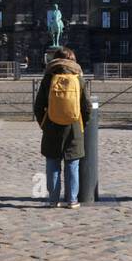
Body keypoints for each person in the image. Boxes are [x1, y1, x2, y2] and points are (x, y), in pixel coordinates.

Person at [34, 46, 93, 209]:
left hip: (51, 125)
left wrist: (45, 124)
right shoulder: (78, 79)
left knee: (53, 164)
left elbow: (38, 106)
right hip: (73, 126)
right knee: (72, 164)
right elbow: (87, 107)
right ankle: (72, 200)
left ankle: (53, 200)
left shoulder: (48, 78)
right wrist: (82, 123)